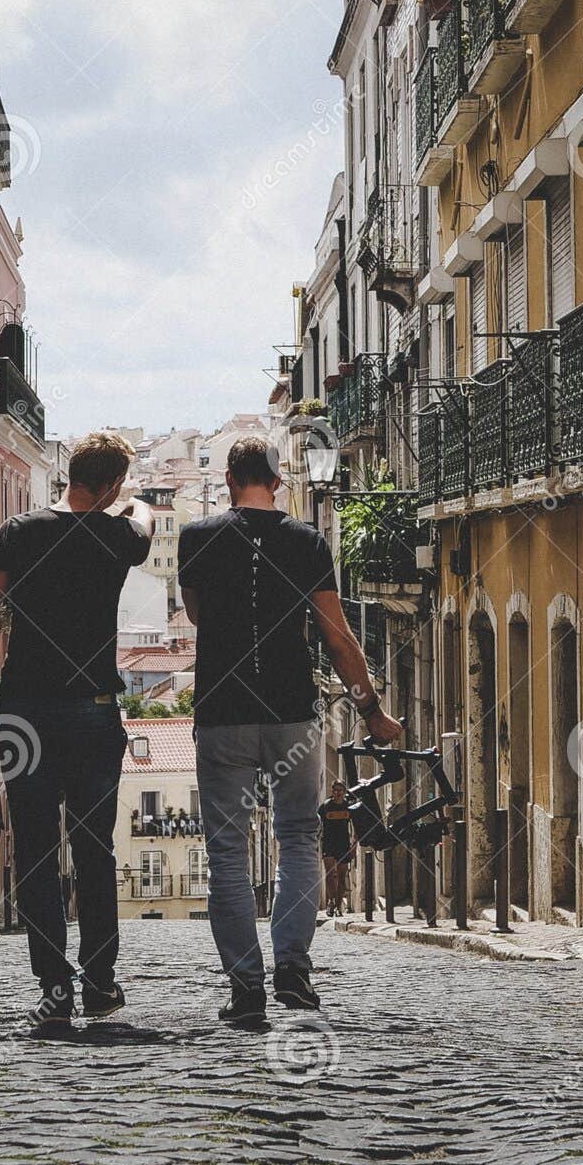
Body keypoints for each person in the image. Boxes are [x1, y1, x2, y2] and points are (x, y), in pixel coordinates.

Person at [0, 433, 152, 1030]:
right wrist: (132, 502)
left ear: (69, 476)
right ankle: (100, 983)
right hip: (94, 710)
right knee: (94, 850)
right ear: (112, 486)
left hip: (25, 712)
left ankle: (54, 987)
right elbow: (145, 522)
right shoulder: (118, 535)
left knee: (35, 851)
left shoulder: (20, 532)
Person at [179, 437, 402, 1022]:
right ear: (278, 483)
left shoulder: (196, 538)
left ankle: (246, 989)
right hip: (293, 714)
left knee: (227, 850)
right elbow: (338, 637)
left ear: (230, 479)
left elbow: (198, 615)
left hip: (223, 712)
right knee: (299, 837)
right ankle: (294, 970)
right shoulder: (307, 542)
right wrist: (372, 711)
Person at [318, 781, 354, 916]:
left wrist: (354, 844)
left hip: (343, 843)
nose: (338, 793)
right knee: (329, 874)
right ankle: (331, 901)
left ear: (344, 792)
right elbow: (317, 824)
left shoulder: (349, 807)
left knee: (342, 876)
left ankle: (339, 906)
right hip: (328, 843)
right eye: (335, 790)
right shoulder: (325, 807)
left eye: (340, 790)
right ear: (332, 791)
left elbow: (355, 825)